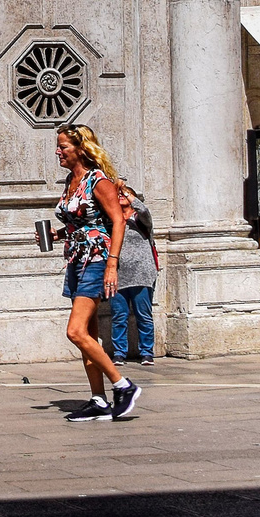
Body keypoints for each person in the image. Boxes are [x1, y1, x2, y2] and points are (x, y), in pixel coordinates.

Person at [50, 122, 145, 421]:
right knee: (89, 332)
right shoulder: (71, 180)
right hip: (76, 258)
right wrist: (60, 233)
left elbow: (117, 220)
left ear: (80, 148)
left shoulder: (98, 180)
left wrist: (113, 264)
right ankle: (99, 399)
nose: (58, 151)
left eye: (63, 146)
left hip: (97, 258)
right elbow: (84, 221)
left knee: (75, 331)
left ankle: (123, 385)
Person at [111, 185, 158, 367]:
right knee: (119, 315)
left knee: (143, 315)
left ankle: (147, 352)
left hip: (142, 273)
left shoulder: (141, 218)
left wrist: (125, 191)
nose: (121, 196)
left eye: (125, 195)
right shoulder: (112, 221)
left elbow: (144, 210)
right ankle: (119, 353)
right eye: (118, 195)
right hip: (118, 274)